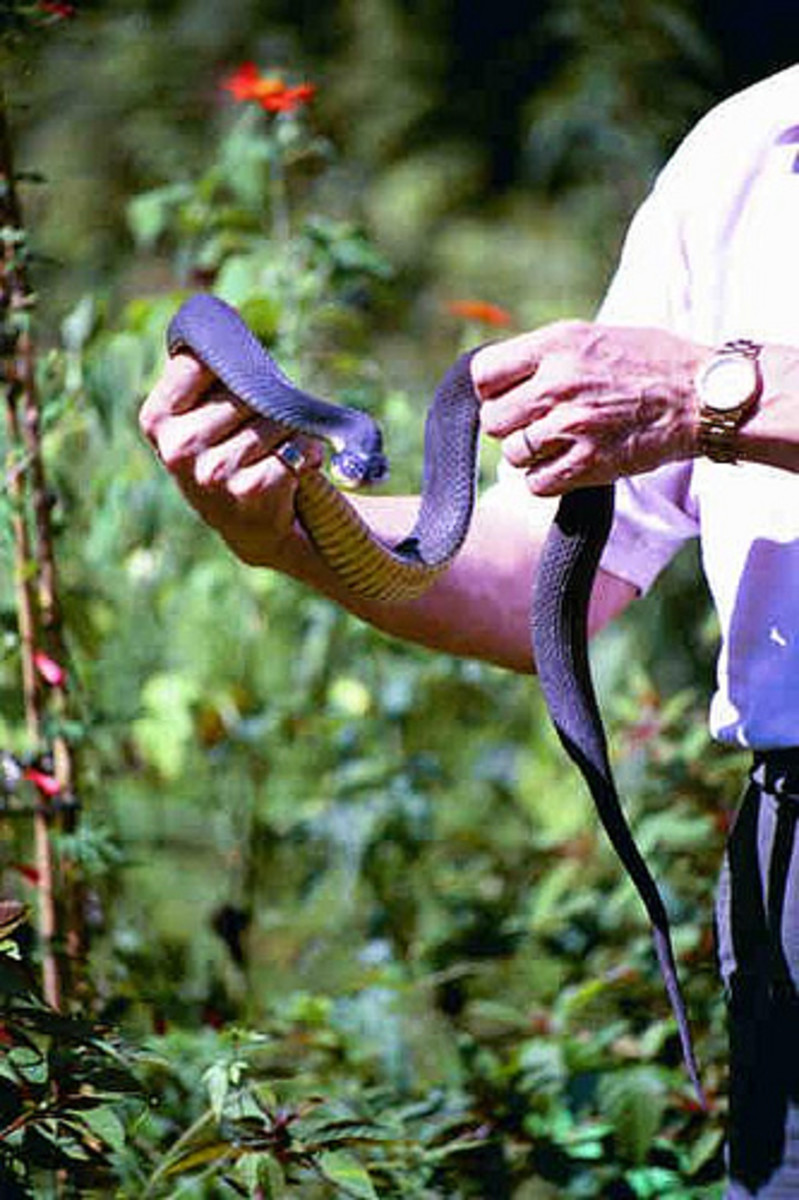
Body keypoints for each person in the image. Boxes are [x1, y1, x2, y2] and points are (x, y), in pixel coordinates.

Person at [140, 64, 799, 1199]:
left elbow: (693, 394)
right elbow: (537, 572)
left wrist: (717, 392)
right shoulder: (748, 150)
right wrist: (294, 524)